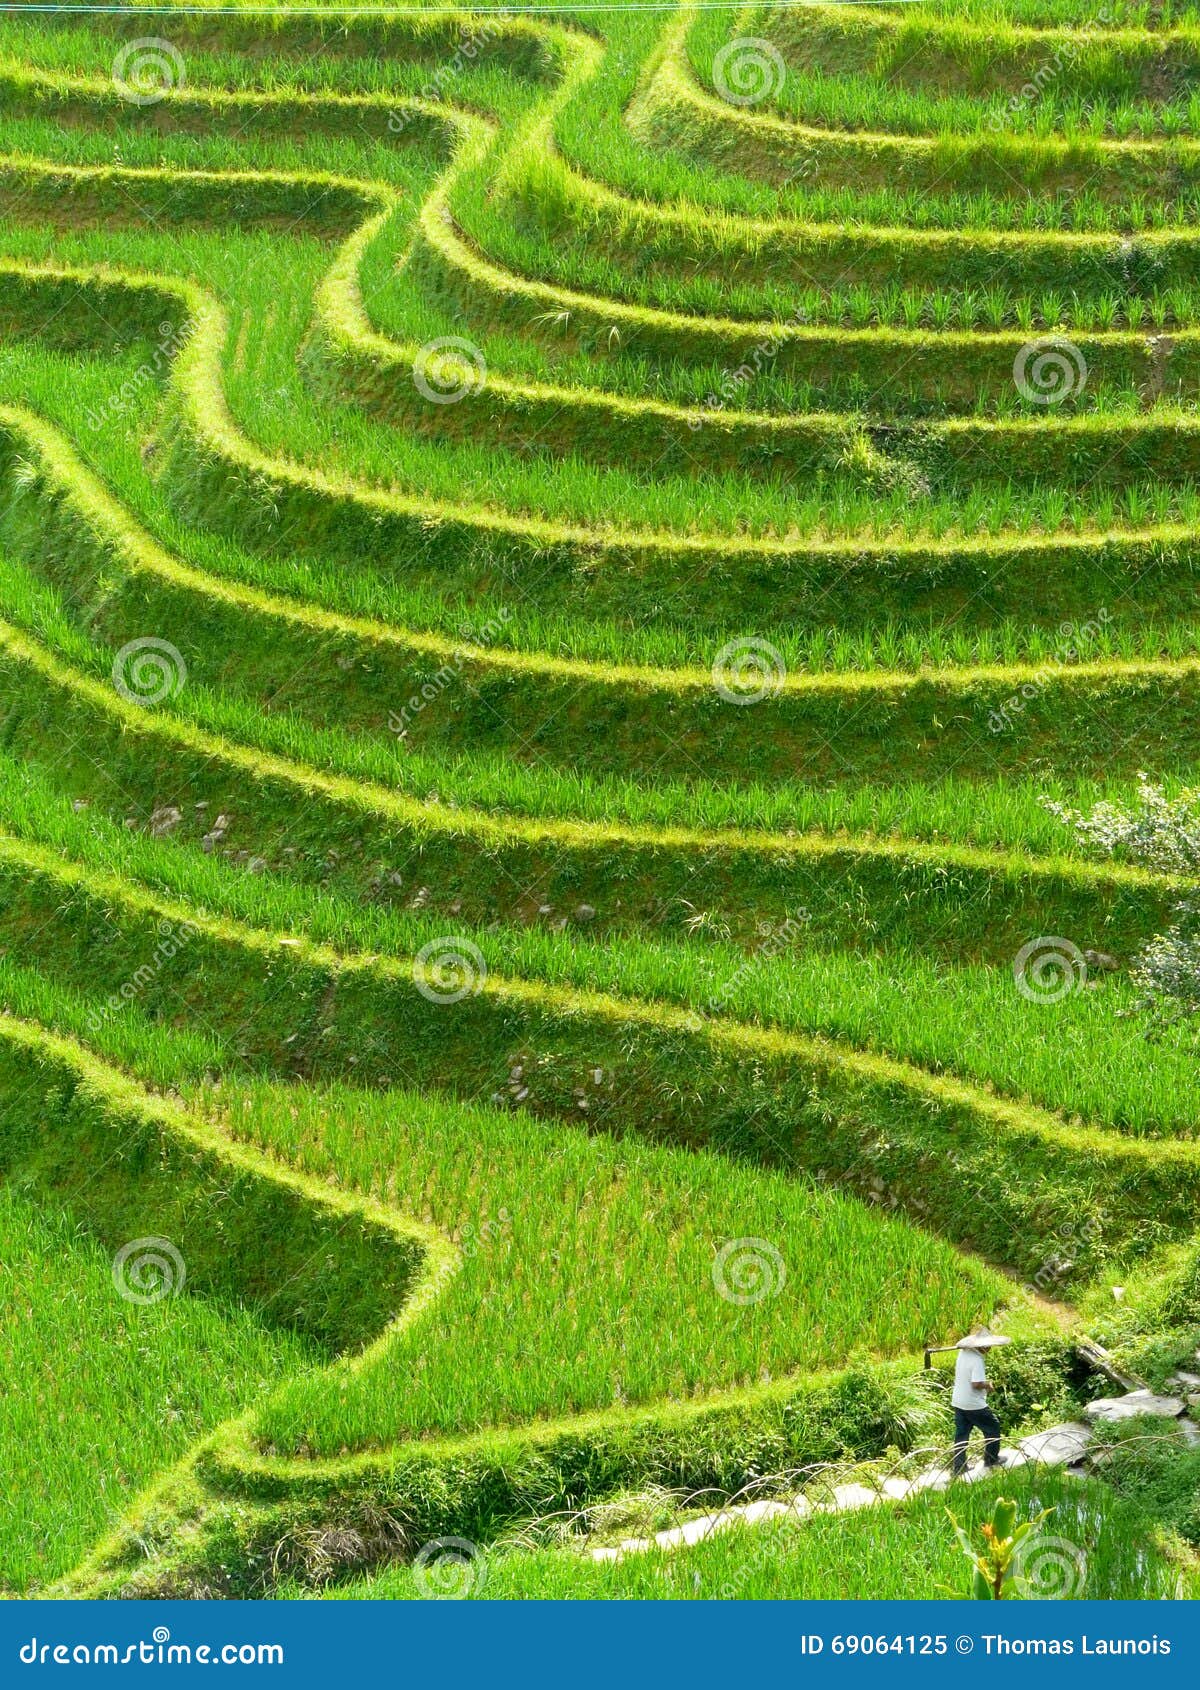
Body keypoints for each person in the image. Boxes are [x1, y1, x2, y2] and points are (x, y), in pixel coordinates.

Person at [950, 1327, 1011, 1477]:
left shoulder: (963, 1353)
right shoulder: (977, 1360)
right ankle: (991, 1459)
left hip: (958, 1401)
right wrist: (988, 1385)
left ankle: (959, 1467)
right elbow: (976, 1383)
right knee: (993, 1427)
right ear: (981, 1346)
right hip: (973, 1404)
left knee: (962, 1435)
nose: (990, 1349)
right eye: (988, 1346)